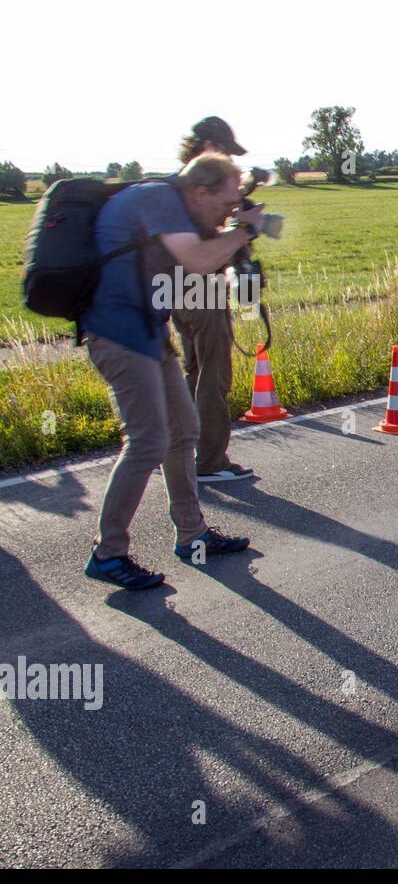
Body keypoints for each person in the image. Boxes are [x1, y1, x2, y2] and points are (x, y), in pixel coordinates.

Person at [81, 153, 258, 591]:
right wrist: (245, 230)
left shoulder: (175, 209)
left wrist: (238, 238)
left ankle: (193, 535)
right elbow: (198, 261)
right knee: (147, 441)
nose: (227, 215)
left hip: (147, 331)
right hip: (117, 333)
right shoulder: (159, 199)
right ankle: (108, 554)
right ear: (200, 192)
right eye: (225, 205)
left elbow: (206, 265)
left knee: (182, 431)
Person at [171, 116, 253, 483]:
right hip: (201, 289)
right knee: (214, 376)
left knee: (194, 373)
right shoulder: (200, 189)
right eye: (225, 151)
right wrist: (244, 227)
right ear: (207, 146)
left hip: (176, 288)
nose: (229, 160)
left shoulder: (178, 188)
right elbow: (210, 246)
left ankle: (187, 454)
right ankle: (210, 462)